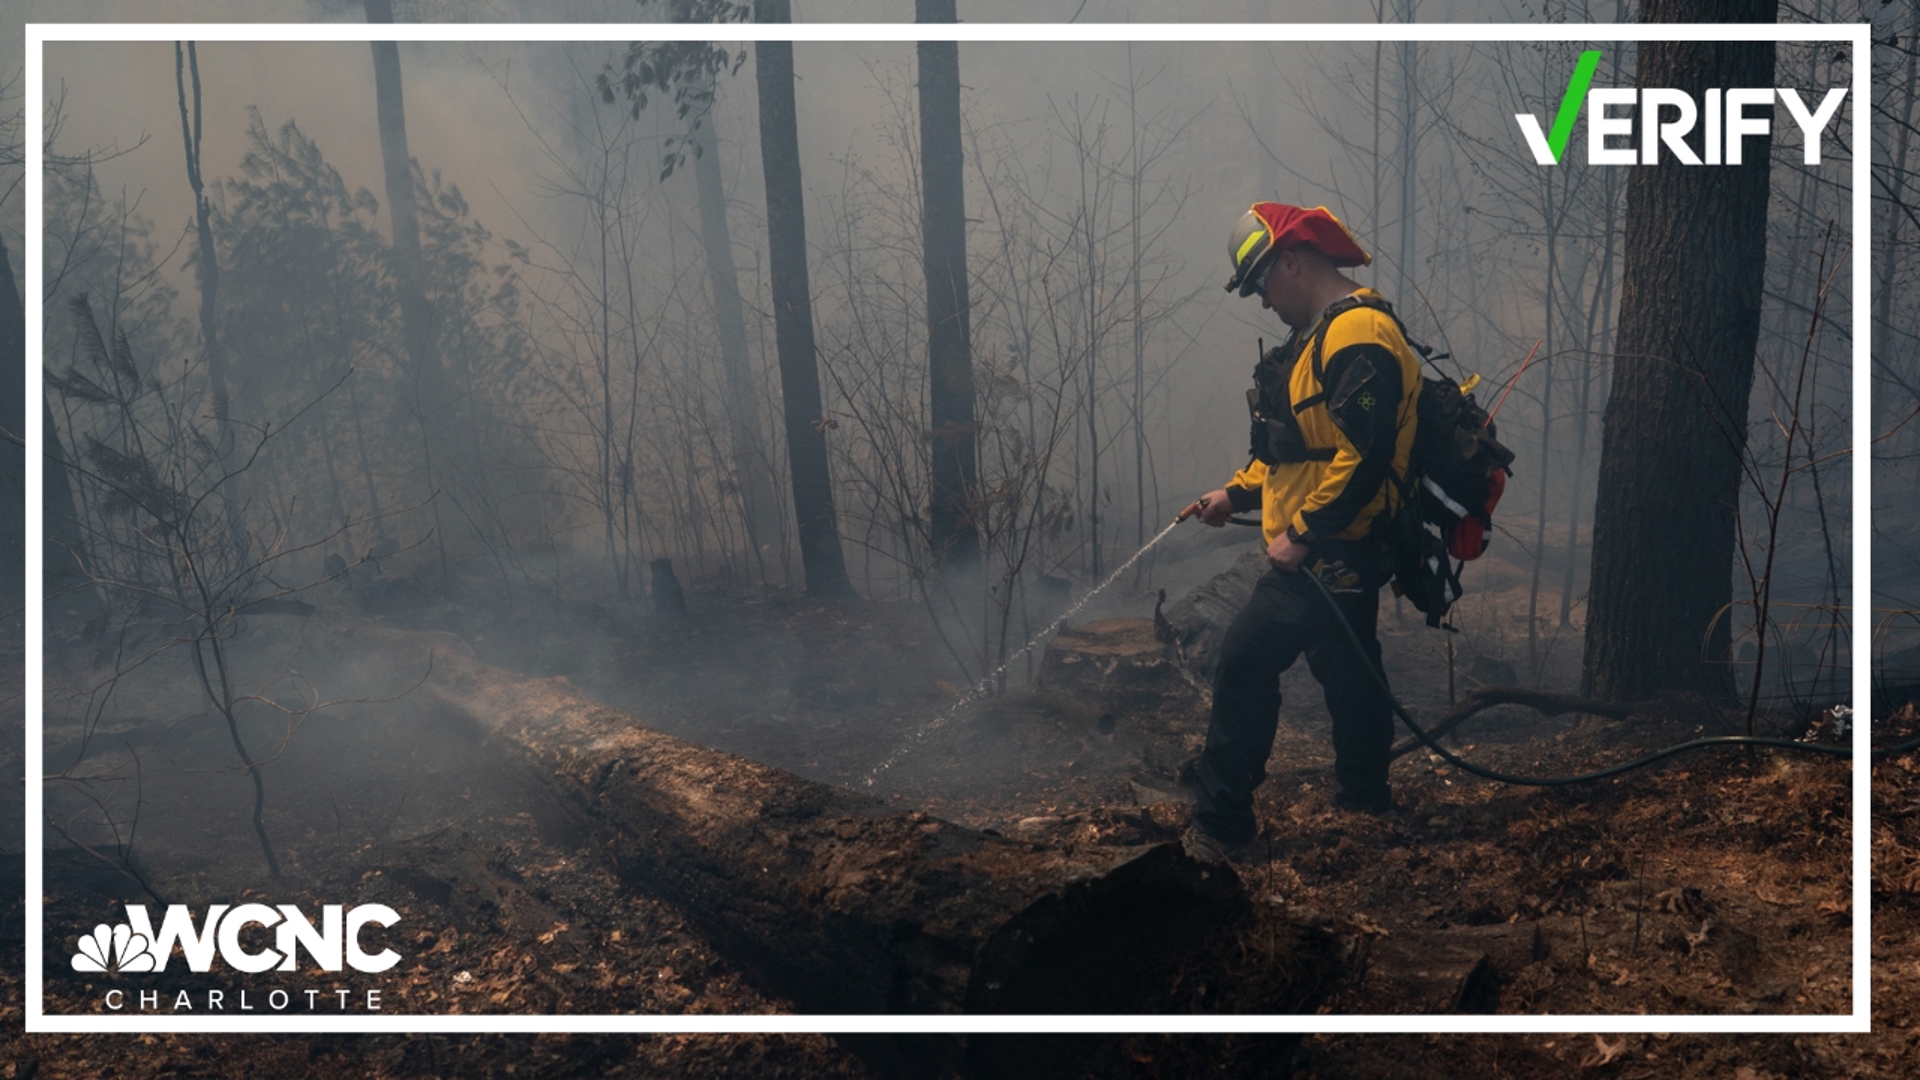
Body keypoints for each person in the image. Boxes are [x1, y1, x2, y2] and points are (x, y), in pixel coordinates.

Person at [1176, 202, 1423, 863]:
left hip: (1333, 545)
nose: (1262, 301)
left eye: (1261, 284)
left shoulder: (1359, 334)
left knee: (1243, 660)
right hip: (1331, 540)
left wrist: (1305, 533)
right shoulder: (1319, 339)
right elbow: (1300, 452)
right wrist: (1236, 493)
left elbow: (1366, 454)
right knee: (1350, 670)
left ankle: (1222, 827)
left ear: (1290, 262)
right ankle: (1367, 801)